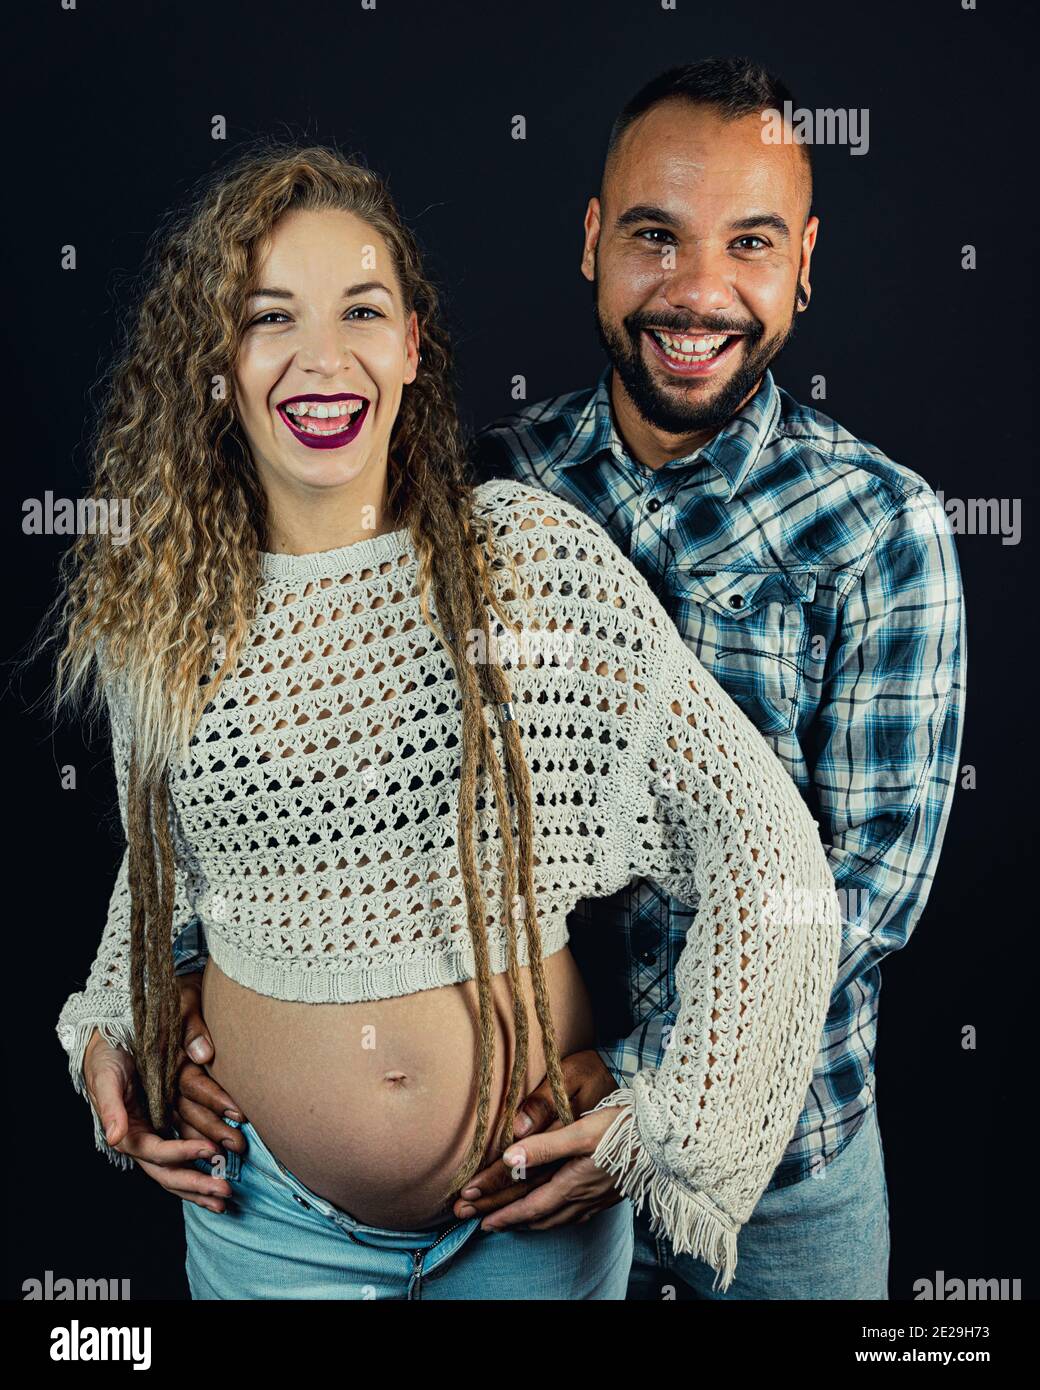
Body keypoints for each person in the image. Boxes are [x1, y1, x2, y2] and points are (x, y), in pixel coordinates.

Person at [47, 143, 842, 1299]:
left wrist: (661, 1124)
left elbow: (767, 854)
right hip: (267, 1224)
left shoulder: (524, 560)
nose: (322, 358)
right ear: (215, 363)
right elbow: (159, 865)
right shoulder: (157, 610)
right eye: (271, 317)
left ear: (410, 345)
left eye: (360, 309)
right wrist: (116, 1025)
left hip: (524, 1229)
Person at [455, 58, 967, 1300]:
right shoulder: (487, 497)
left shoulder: (880, 527)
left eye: (747, 242)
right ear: (591, 242)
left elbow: (868, 887)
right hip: (527, 1153)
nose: (695, 291)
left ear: (802, 260)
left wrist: (654, 1090)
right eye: (652, 237)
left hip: (787, 1167)